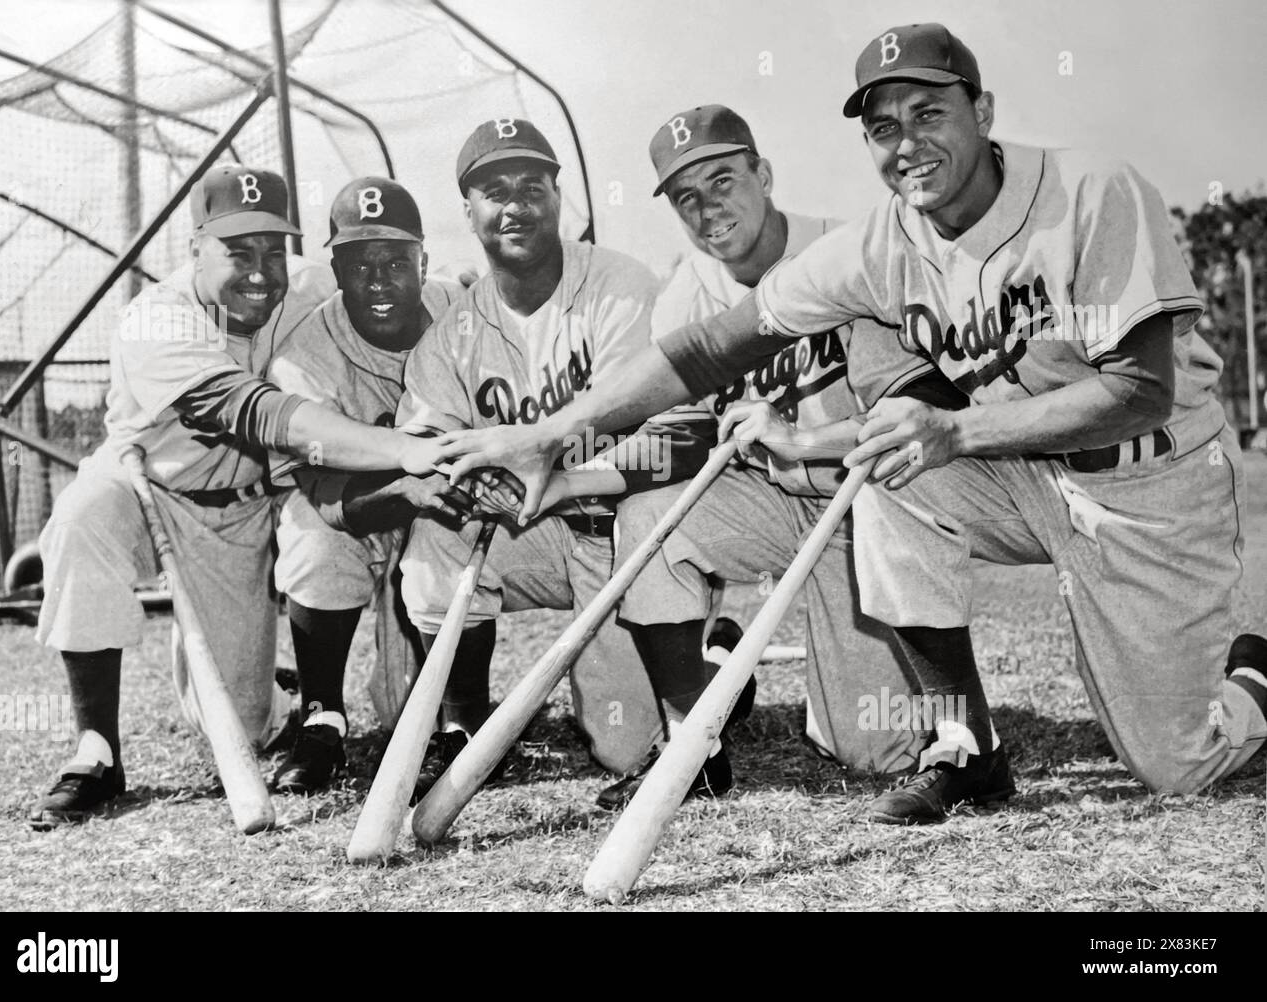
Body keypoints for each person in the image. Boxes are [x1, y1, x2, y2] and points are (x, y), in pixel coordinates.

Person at [433, 23, 1267, 824]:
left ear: (982, 112)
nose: (906, 145)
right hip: (1014, 472)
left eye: (928, 114)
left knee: (1179, 764)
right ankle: (966, 745)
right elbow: (710, 348)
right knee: (894, 474)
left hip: (1145, 474)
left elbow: (1140, 392)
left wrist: (949, 434)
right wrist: (551, 437)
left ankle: (1258, 669)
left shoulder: (1092, 190)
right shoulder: (875, 246)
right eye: (882, 128)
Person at [29, 165, 441, 829]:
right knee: (81, 518)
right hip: (155, 487)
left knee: (247, 728)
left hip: (255, 501)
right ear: (194, 249)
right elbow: (251, 411)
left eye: (273, 251)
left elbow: (410, 291)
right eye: (237, 251)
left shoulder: (312, 285)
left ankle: (288, 699)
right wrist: (401, 452)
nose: (259, 271)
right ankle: (96, 750)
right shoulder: (155, 319)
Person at [599, 104, 928, 809]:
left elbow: (916, 411)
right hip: (769, 500)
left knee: (872, 750)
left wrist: (803, 438)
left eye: (722, 180)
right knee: (650, 517)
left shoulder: (844, 250)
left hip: (865, 502)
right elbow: (678, 433)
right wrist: (576, 473)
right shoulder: (685, 291)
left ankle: (724, 659)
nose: (707, 207)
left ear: (764, 174)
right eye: (686, 197)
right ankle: (696, 741)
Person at [396, 118, 705, 794]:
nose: (515, 206)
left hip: (619, 537)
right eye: (494, 190)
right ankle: (463, 728)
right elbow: (423, 455)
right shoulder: (451, 335)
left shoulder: (621, 286)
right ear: (469, 211)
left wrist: (562, 472)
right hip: (524, 531)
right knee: (432, 535)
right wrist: (457, 484)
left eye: (532, 187)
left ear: (557, 197)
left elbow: (684, 437)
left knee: (624, 750)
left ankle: (707, 666)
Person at [264, 177, 469, 793]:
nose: (379, 281)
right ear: (335, 268)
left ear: (424, 261)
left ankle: (459, 720)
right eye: (359, 264)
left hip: (437, 522)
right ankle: (321, 716)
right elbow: (325, 496)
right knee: (305, 531)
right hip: (355, 516)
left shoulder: (465, 317)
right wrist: (404, 491)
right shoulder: (304, 357)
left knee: (400, 710)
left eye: (396, 262)